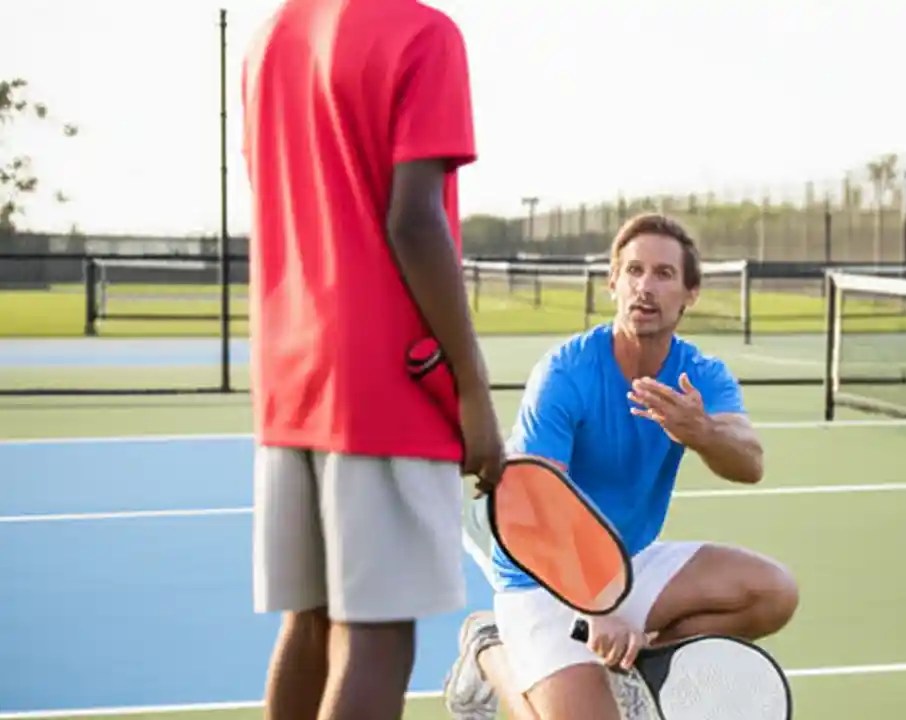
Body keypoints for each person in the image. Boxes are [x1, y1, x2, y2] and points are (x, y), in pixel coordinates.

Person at [240, 1, 505, 718]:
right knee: (376, 637)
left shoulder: (270, 40)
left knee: (312, 622)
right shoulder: (424, 33)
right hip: (382, 382)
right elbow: (412, 218)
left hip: (288, 374)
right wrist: (472, 388)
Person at [443, 213, 800, 720]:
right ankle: (488, 647)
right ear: (613, 282)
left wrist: (702, 432)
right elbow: (538, 504)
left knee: (774, 592)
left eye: (663, 274)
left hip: (623, 562)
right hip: (541, 574)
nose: (645, 287)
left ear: (690, 293)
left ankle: (633, 664)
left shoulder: (700, 374)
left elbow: (750, 461)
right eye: (633, 271)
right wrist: (598, 609)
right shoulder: (565, 372)